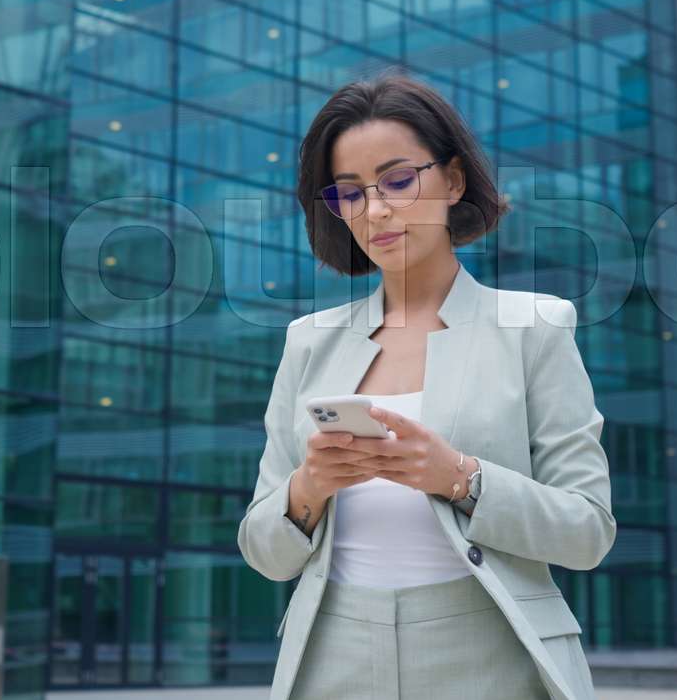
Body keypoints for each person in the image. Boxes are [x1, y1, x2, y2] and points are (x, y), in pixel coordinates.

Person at [236, 74, 615, 700]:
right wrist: (310, 488)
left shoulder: (534, 328)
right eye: (349, 193)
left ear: (454, 180)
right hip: (334, 655)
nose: (376, 211)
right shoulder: (308, 342)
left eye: (398, 180)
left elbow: (588, 531)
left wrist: (459, 478)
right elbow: (263, 550)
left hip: (490, 651)